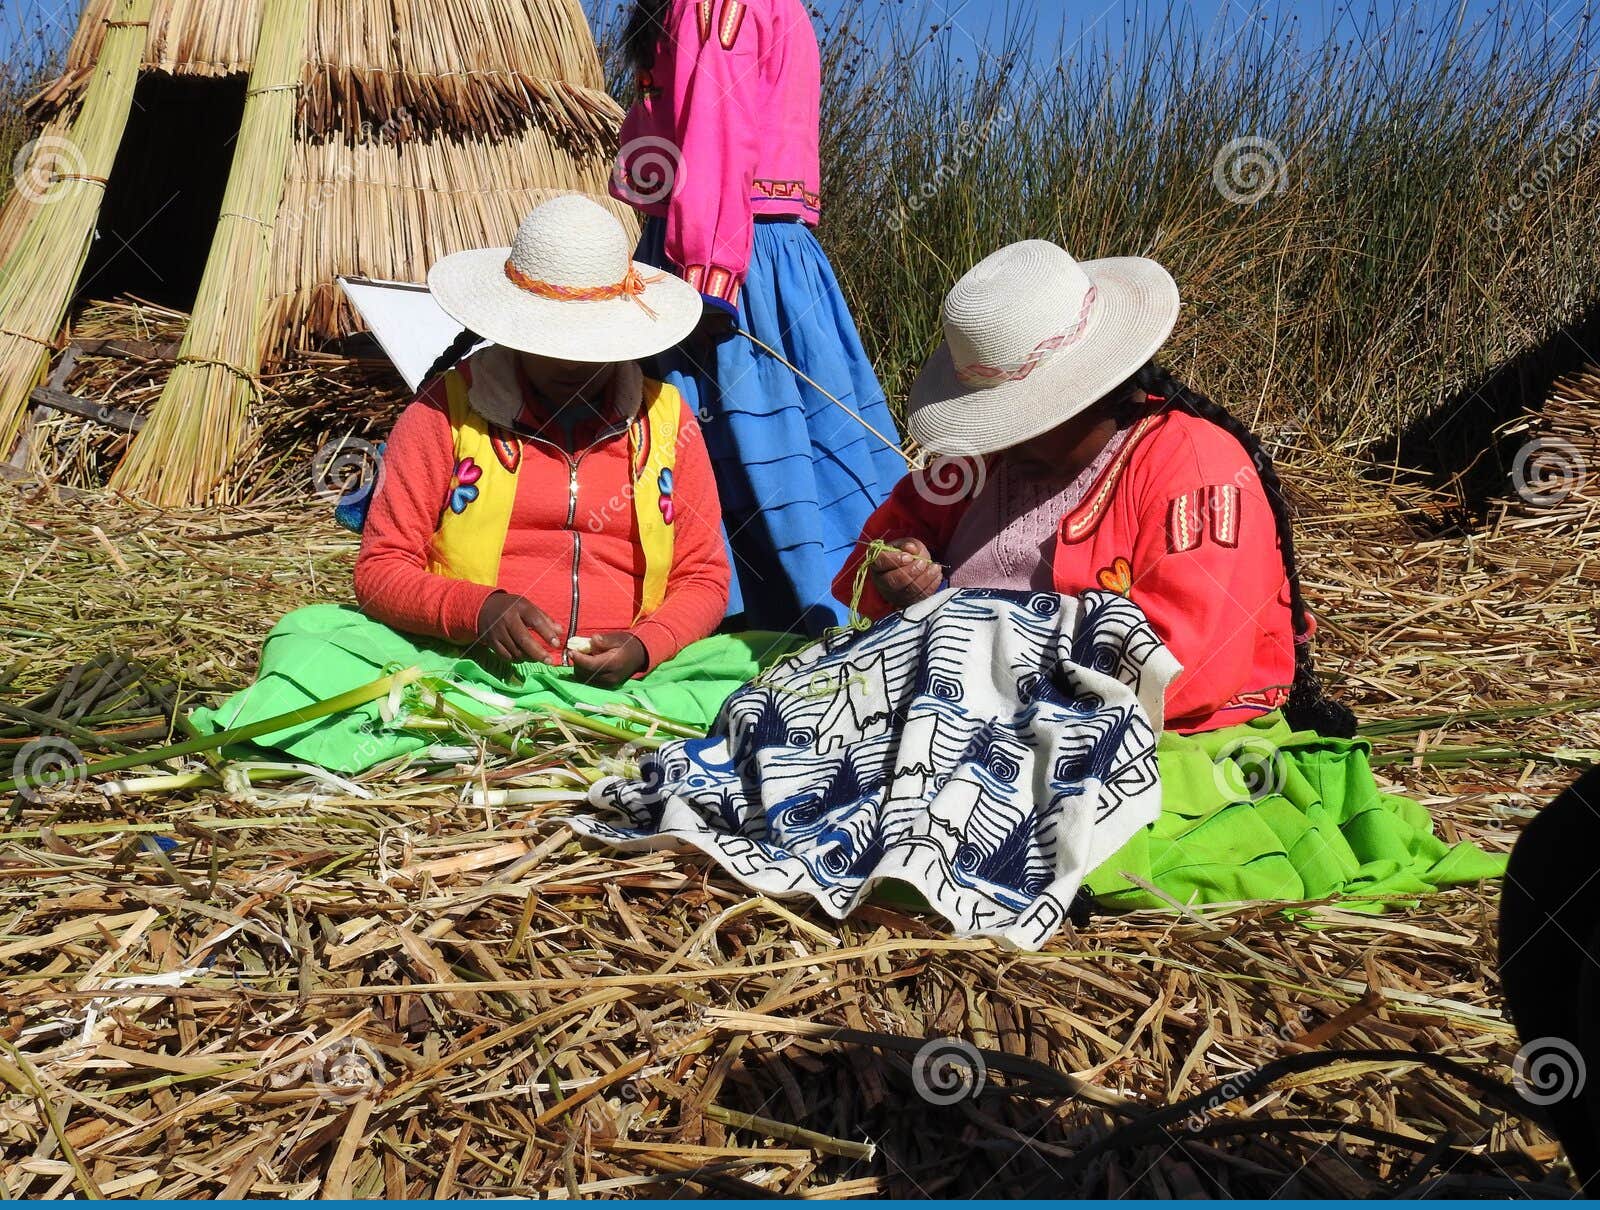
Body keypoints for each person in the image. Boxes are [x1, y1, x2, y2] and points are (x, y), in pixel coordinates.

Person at [829, 239, 1500, 910]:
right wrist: (903, 567)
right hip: (956, 708)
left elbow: (1187, 671)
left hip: (1130, 738)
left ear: (1083, 392)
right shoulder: (979, 465)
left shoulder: (1193, 466)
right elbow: (878, 552)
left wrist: (971, 646)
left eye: (1015, 417)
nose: (997, 436)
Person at [611, 0, 906, 638]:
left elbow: (716, 132)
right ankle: (843, 605)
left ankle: (787, 614)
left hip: (726, 255)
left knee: (729, 437)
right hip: (770, 253)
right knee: (794, 438)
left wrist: (705, 282)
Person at [357, 193, 731, 685]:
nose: (572, 363)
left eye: (590, 344)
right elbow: (381, 568)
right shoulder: (444, 412)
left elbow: (703, 576)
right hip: (463, 671)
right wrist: (477, 610)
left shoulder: (666, 419)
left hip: (636, 687)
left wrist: (647, 645)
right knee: (309, 638)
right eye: (552, 341)